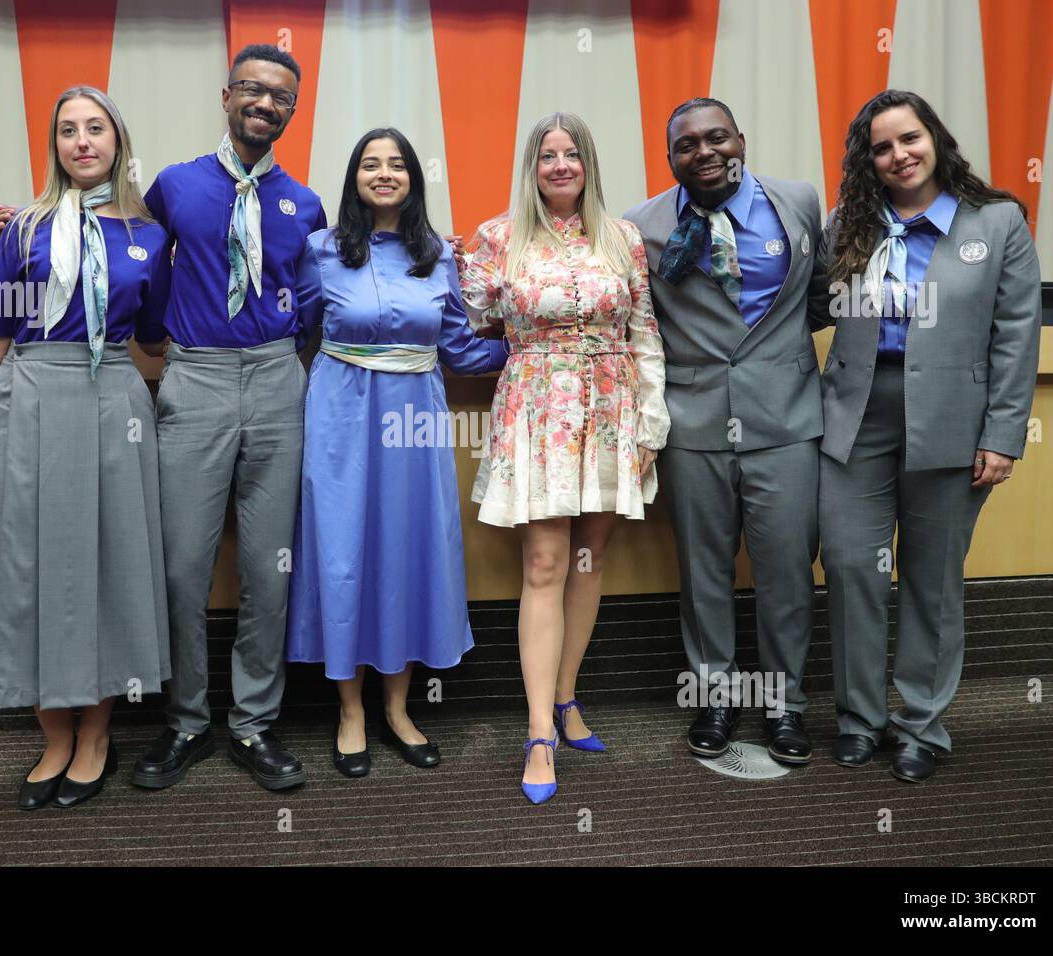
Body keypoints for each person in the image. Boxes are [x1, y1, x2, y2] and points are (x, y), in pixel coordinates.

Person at [0, 44, 325, 791]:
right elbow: (107, 233)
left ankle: (255, 723)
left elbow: (312, 306)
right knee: (179, 567)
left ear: (292, 112)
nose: (265, 104)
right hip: (192, 379)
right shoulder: (173, 187)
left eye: (282, 98)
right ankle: (187, 721)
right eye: (253, 90)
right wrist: (21, 226)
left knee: (269, 569)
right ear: (228, 94)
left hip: (275, 380)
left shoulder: (305, 202)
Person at [812, 89, 1040, 782]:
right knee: (852, 565)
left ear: (934, 137)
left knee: (932, 580)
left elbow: (1016, 337)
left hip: (951, 417)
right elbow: (810, 304)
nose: (898, 155)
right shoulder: (848, 222)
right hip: (858, 410)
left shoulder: (997, 222)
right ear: (867, 160)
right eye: (881, 147)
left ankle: (922, 727)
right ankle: (858, 717)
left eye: (908, 139)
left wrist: (1002, 435)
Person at [0, 86, 172, 810]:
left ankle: (96, 734)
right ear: (55, 146)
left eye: (96, 129)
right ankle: (54, 732)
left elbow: (153, 340)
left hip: (113, 398)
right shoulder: (25, 229)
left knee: (109, 560)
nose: (83, 142)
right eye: (68, 131)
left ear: (118, 140)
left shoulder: (148, 235)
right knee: (29, 561)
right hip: (29, 402)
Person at [459, 112, 670, 803]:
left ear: (588, 164)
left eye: (570, 154)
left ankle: (568, 699)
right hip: (537, 410)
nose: (559, 166)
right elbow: (473, 318)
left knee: (589, 558)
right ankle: (537, 734)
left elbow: (643, 329)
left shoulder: (623, 239)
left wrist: (650, 420)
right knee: (545, 562)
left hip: (613, 413)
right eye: (546, 155)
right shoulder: (498, 238)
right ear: (531, 167)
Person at [288, 128, 507, 777]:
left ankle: (399, 708)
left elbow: (461, 348)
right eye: (370, 164)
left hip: (415, 421)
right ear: (354, 178)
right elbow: (294, 331)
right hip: (339, 419)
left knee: (409, 552)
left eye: (396, 165)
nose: (383, 174)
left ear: (414, 177)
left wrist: (532, 349)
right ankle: (350, 710)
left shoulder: (439, 255)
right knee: (344, 553)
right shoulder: (320, 250)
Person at [623, 98, 827, 767]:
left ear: (740, 139)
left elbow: (822, 298)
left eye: (716, 138)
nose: (704, 152)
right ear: (670, 156)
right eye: (686, 145)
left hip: (788, 417)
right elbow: (633, 322)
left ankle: (784, 704)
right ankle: (715, 696)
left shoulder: (798, 203)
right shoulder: (641, 226)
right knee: (703, 571)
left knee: (786, 571)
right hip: (694, 423)